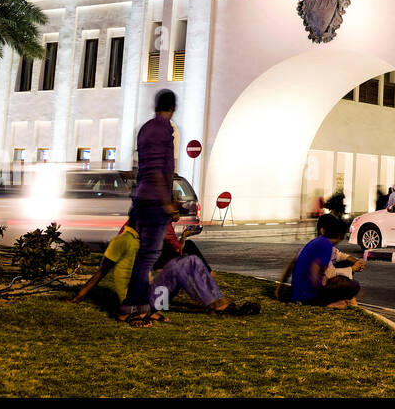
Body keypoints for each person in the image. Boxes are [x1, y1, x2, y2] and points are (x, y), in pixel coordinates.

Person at [71, 209, 257, 320]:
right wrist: (77, 297)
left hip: (152, 298)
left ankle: (219, 304)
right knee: (185, 263)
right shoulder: (123, 241)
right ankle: (218, 305)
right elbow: (101, 272)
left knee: (190, 261)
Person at [119, 89, 178, 326]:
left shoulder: (145, 128)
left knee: (147, 257)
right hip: (154, 201)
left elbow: (144, 168)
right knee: (147, 258)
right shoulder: (163, 129)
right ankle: (129, 307)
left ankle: (144, 307)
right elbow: (157, 169)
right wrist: (166, 201)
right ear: (172, 107)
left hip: (143, 198)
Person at [276, 213, 359, 308]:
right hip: (309, 297)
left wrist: (279, 287)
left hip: (297, 295)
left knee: (340, 278)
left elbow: (291, 264)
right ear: (340, 236)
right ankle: (334, 304)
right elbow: (315, 269)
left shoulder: (314, 242)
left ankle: (342, 302)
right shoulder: (327, 245)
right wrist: (320, 295)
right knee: (353, 285)